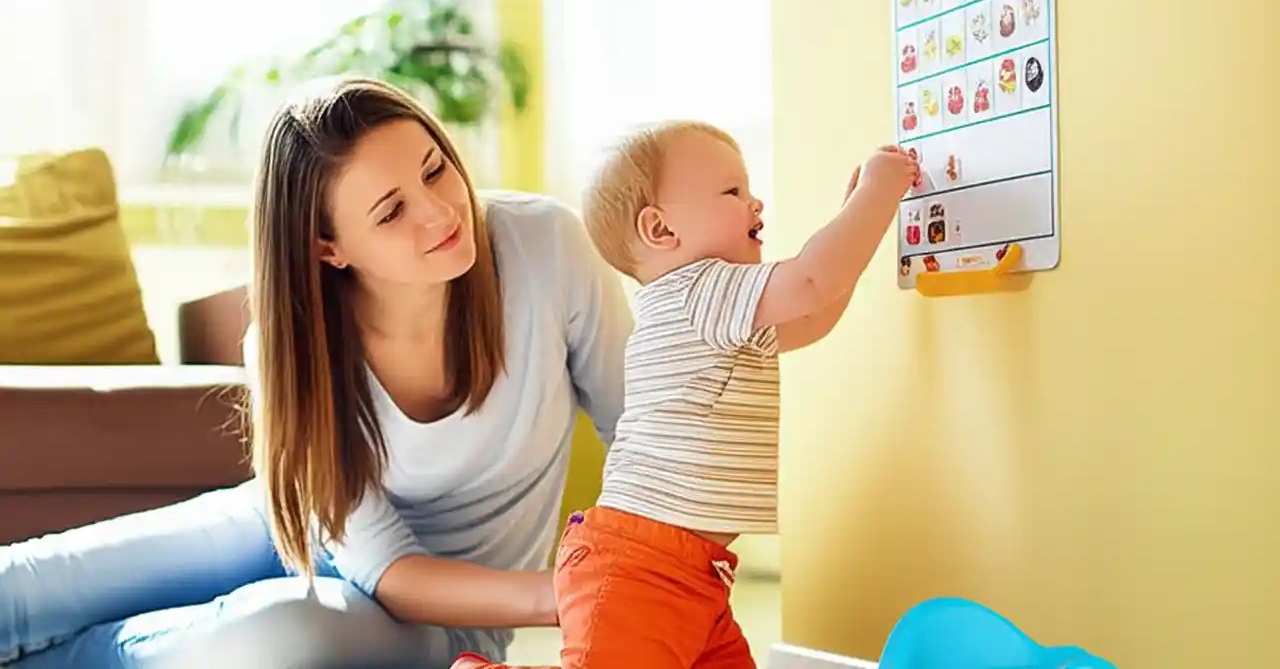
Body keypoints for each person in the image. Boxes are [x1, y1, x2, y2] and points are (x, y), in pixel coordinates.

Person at [0, 77, 633, 668]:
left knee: (283, 632)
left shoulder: (545, 246)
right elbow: (361, 546)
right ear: (325, 246)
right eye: (391, 212)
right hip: (282, 532)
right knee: (17, 588)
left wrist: (637, 581)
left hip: (425, 617)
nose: (441, 212)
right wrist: (566, 593)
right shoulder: (292, 341)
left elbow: (646, 432)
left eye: (436, 170)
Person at [452, 122, 918, 669]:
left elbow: (814, 312)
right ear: (660, 229)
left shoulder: (709, 312)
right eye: (732, 192)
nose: (754, 202)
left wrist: (855, 218)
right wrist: (875, 197)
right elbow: (815, 282)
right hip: (638, 567)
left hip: (695, 570)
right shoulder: (701, 289)